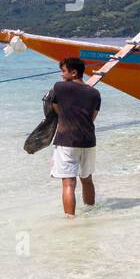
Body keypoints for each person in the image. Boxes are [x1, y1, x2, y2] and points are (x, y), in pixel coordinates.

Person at [47, 56, 101, 218]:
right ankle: (91, 213)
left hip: (67, 140)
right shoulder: (95, 93)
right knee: (87, 179)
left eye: (63, 71)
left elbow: (54, 106)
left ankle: (70, 220)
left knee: (68, 183)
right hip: (88, 141)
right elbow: (92, 117)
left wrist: (66, 117)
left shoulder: (60, 87)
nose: (61, 75)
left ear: (74, 72)